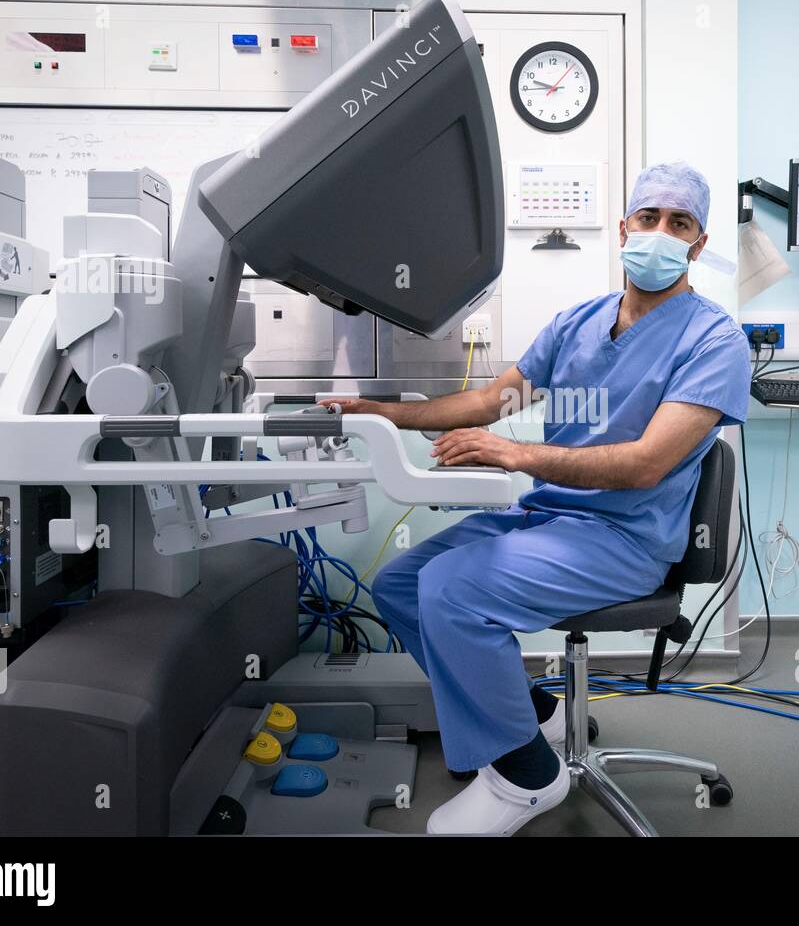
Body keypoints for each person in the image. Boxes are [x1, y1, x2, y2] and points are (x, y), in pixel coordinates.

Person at [321, 161, 751, 835]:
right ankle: (536, 713)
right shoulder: (578, 323)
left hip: (627, 538)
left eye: (680, 224)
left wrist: (516, 454)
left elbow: (645, 466)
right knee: (403, 583)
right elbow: (493, 401)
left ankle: (526, 777)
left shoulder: (714, 339)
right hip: (549, 518)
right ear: (624, 228)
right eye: (649, 218)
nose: (661, 234)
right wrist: (382, 412)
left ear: (698, 244)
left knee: (454, 592)